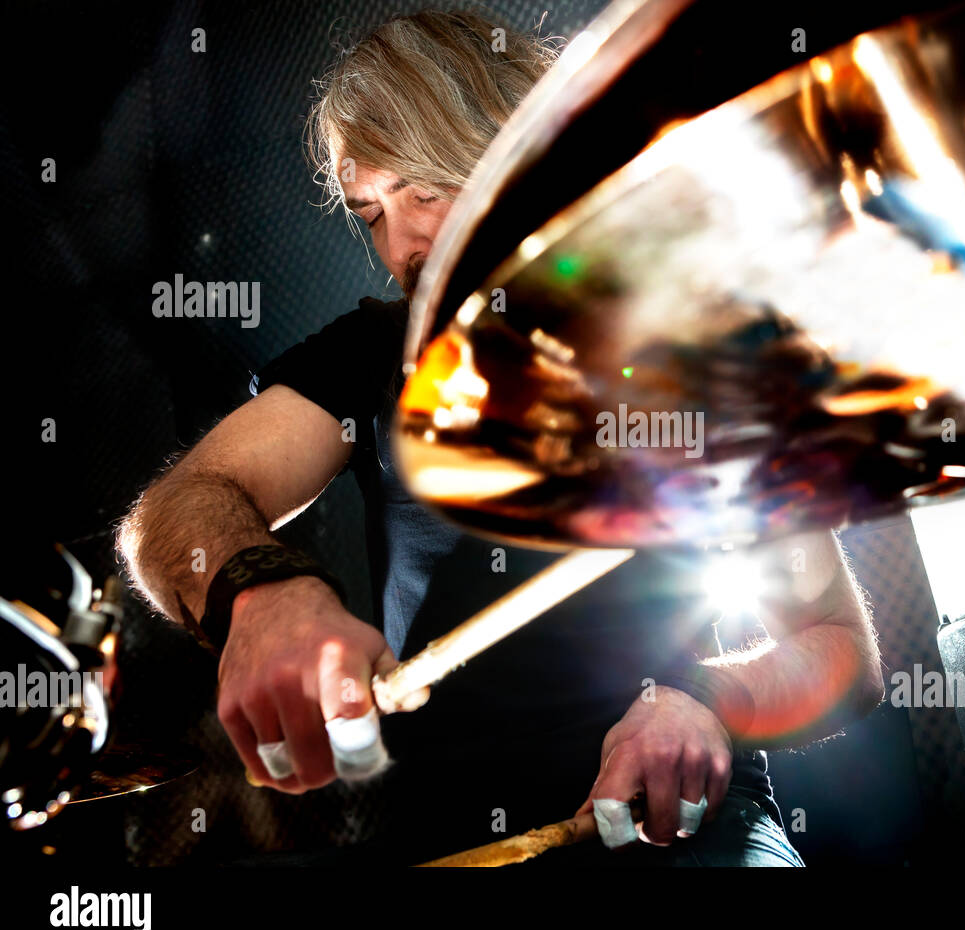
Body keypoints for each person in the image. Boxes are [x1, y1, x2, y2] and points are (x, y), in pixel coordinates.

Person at [117, 8, 883, 866]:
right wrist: (259, 591)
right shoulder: (374, 356)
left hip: (693, 832)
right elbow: (174, 512)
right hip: (454, 847)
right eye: (371, 211)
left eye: (425, 192)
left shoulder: (693, 342)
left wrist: (710, 697)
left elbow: (843, 647)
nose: (399, 245)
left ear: (508, 157)